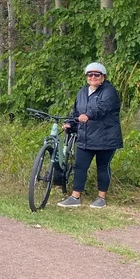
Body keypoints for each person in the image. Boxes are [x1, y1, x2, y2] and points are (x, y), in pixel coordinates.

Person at [57, 61, 123, 209]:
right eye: (90, 74)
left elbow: (102, 108)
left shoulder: (109, 91)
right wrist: (70, 123)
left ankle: (101, 198)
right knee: (80, 166)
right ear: (86, 77)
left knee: (102, 167)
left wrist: (88, 115)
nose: (93, 77)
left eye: (96, 74)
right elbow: (76, 112)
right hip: (85, 136)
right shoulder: (82, 92)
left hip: (105, 137)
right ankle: (75, 197)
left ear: (103, 77)